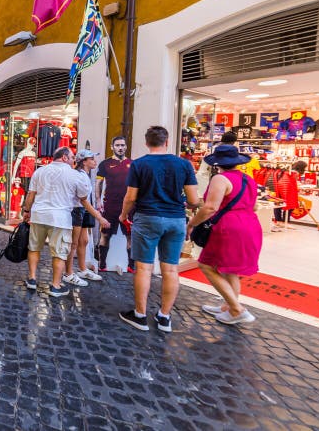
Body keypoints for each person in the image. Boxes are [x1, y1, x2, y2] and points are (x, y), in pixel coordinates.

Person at [118, 126, 200, 333]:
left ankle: (140, 315)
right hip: (175, 220)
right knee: (170, 269)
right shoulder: (184, 164)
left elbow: (130, 197)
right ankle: (164, 317)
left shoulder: (139, 164)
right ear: (167, 141)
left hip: (147, 217)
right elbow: (193, 200)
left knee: (144, 268)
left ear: (146, 142)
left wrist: (123, 215)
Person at [186, 145, 261, 325]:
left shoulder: (220, 179)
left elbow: (210, 208)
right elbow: (255, 205)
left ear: (217, 163)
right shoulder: (248, 179)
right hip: (250, 225)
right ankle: (229, 307)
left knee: (205, 264)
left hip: (229, 228)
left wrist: (191, 223)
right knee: (230, 270)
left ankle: (237, 310)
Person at [20, 148, 110, 297]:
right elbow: (83, 199)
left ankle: (32, 278)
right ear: (64, 157)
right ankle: (55, 286)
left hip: (39, 215)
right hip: (60, 219)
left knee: (34, 248)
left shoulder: (40, 171)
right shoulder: (74, 175)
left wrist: (27, 211)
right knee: (59, 253)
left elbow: (31, 195)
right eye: (71, 157)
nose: (73, 160)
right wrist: (99, 217)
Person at [64, 149, 105, 286]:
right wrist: (99, 216)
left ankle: (82, 269)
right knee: (73, 243)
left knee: (84, 241)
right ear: (84, 161)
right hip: (76, 209)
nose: (95, 161)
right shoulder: (79, 175)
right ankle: (68, 273)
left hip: (81, 210)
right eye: (92, 159)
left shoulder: (84, 174)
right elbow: (83, 200)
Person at [95, 136, 132, 272]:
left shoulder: (132, 164)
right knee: (105, 235)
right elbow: (98, 183)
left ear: (126, 147)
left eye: (122, 145)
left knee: (130, 236)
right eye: (117, 145)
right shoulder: (105, 164)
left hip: (128, 207)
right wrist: (98, 200)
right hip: (110, 204)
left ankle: (131, 266)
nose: (120, 148)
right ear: (112, 147)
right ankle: (102, 265)